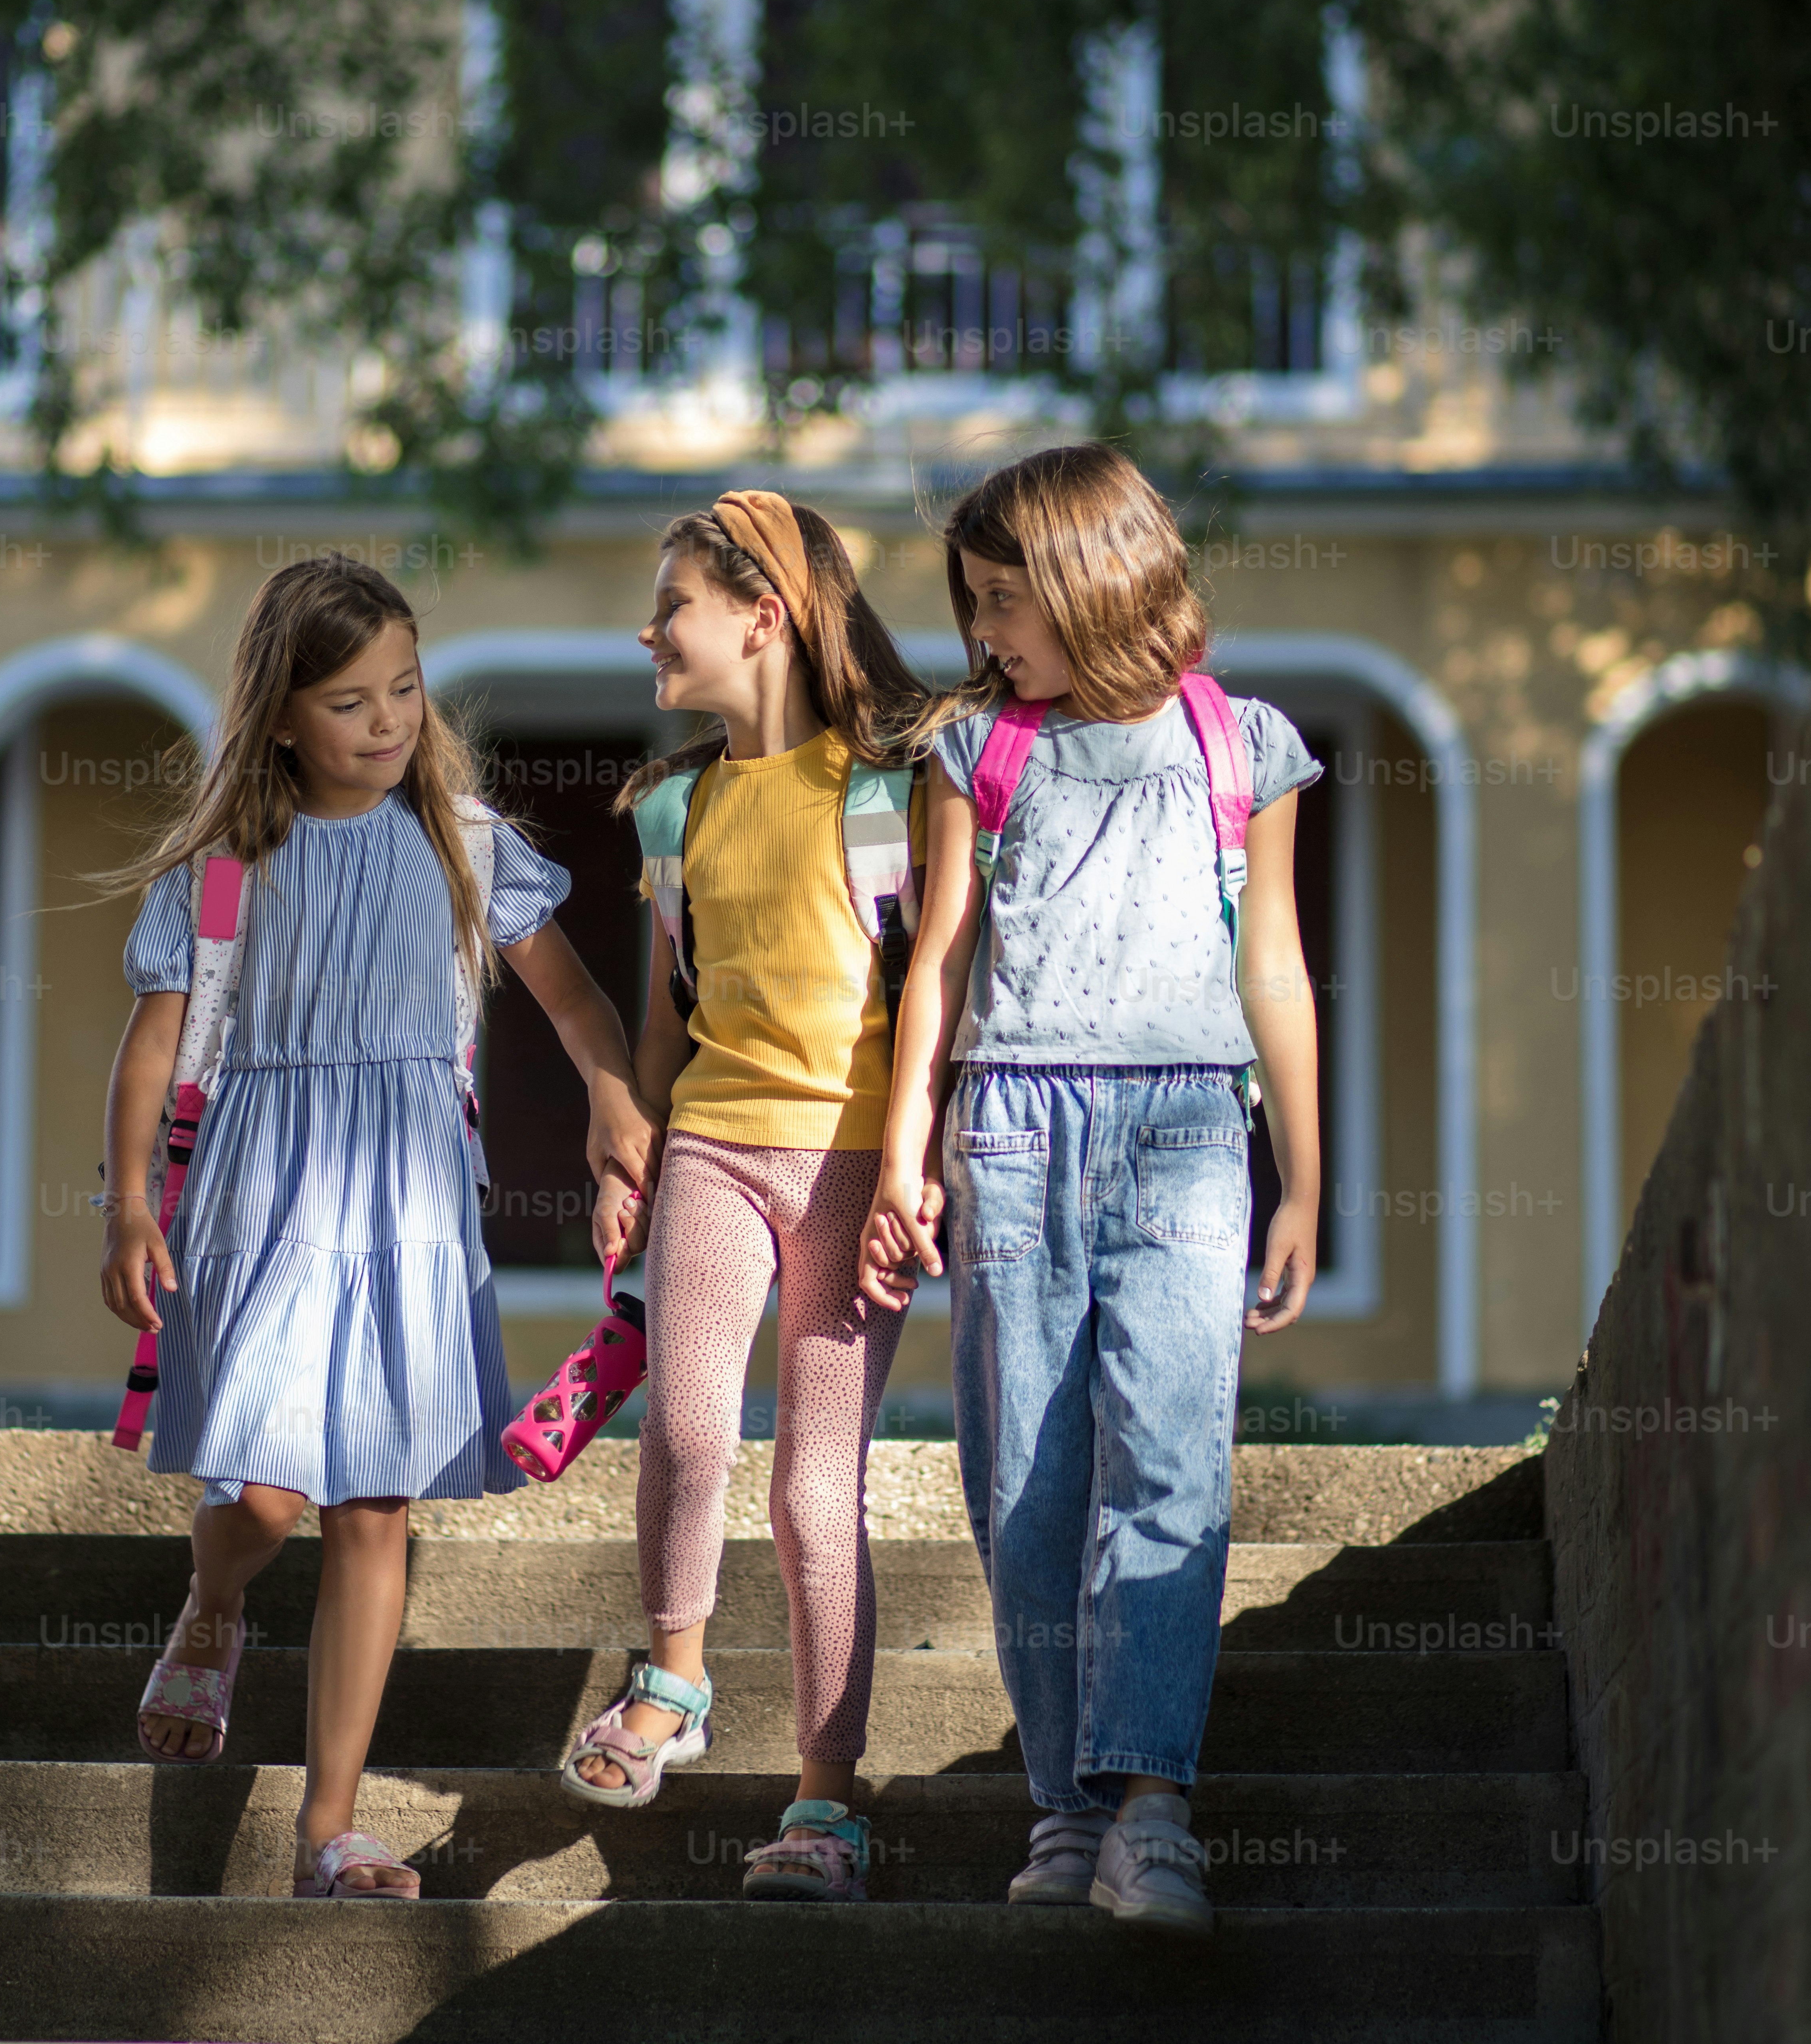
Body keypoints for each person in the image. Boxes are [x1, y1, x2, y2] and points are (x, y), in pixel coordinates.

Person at [99, 553, 654, 1898]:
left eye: (403, 688)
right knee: (274, 1494)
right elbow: (156, 1046)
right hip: (263, 1197)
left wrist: (611, 1102)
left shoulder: (462, 840)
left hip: (411, 1207)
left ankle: (328, 1828)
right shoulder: (229, 869)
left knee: (374, 1502)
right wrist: (125, 1204)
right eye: (350, 702)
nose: (389, 721)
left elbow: (577, 1000)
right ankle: (218, 1599)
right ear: (281, 716)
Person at [859, 444, 1321, 1936]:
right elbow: (933, 965)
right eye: (975, 605)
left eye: (1004, 602)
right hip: (1008, 1133)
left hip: (1191, 1131)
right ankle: (1064, 1808)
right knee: (1026, 1484)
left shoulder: (1244, 746)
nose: (984, 633)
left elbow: (1277, 969)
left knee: (1171, 1462)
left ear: (1090, 578)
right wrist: (900, 1156)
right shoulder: (973, 752)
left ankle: (1153, 1809)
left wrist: (1304, 1179)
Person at [562, 492, 932, 1903]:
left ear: (762, 616)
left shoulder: (895, 790)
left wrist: (920, 1164)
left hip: (850, 1165)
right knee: (692, 1424)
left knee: (810, 1492)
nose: (648, 629)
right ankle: (675, 1677)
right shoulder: (674, 806)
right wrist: (631, 1155)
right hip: (714, 1143)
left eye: (673, 607)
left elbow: (937, 1001)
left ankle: (827, 1806)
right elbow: (669, 1010)